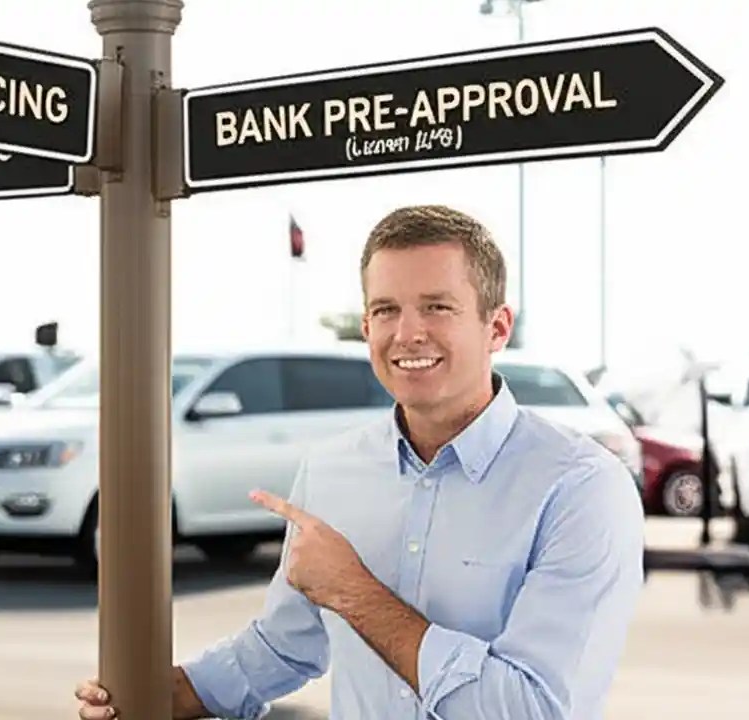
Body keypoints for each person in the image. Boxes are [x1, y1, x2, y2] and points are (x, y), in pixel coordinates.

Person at [74, 205, 645, 719]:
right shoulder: (330, 472)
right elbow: (283, 646)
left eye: (437, 307)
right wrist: (151, 698)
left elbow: (532, 709)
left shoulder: (582, 487)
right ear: (366, 326)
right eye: (386, 309)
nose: (408, 332)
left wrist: (354, 592)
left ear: (496, 327)